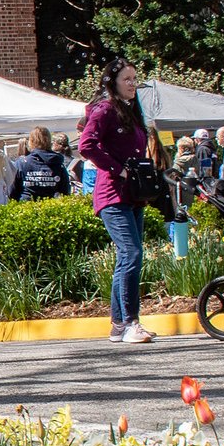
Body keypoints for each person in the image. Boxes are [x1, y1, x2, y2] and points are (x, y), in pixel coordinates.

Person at [78, 61, 160, 345]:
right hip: (113, 194)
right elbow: (86, 145)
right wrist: (118, 169)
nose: (132, 83)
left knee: (129, 256)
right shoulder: (105, 109)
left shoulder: (130, 111)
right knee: (131, 253)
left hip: (132, 194)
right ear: (112, 82)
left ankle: (118, 324)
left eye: (135, 78)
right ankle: (129, 322)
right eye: (127, 78)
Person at [10, 128, 72, 200]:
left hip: (26, 206)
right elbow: (65, 191)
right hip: (52, 206)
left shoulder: (22, 163)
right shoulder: (58, 163)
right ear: (49, 141)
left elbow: (13, 191)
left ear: (31, 142)